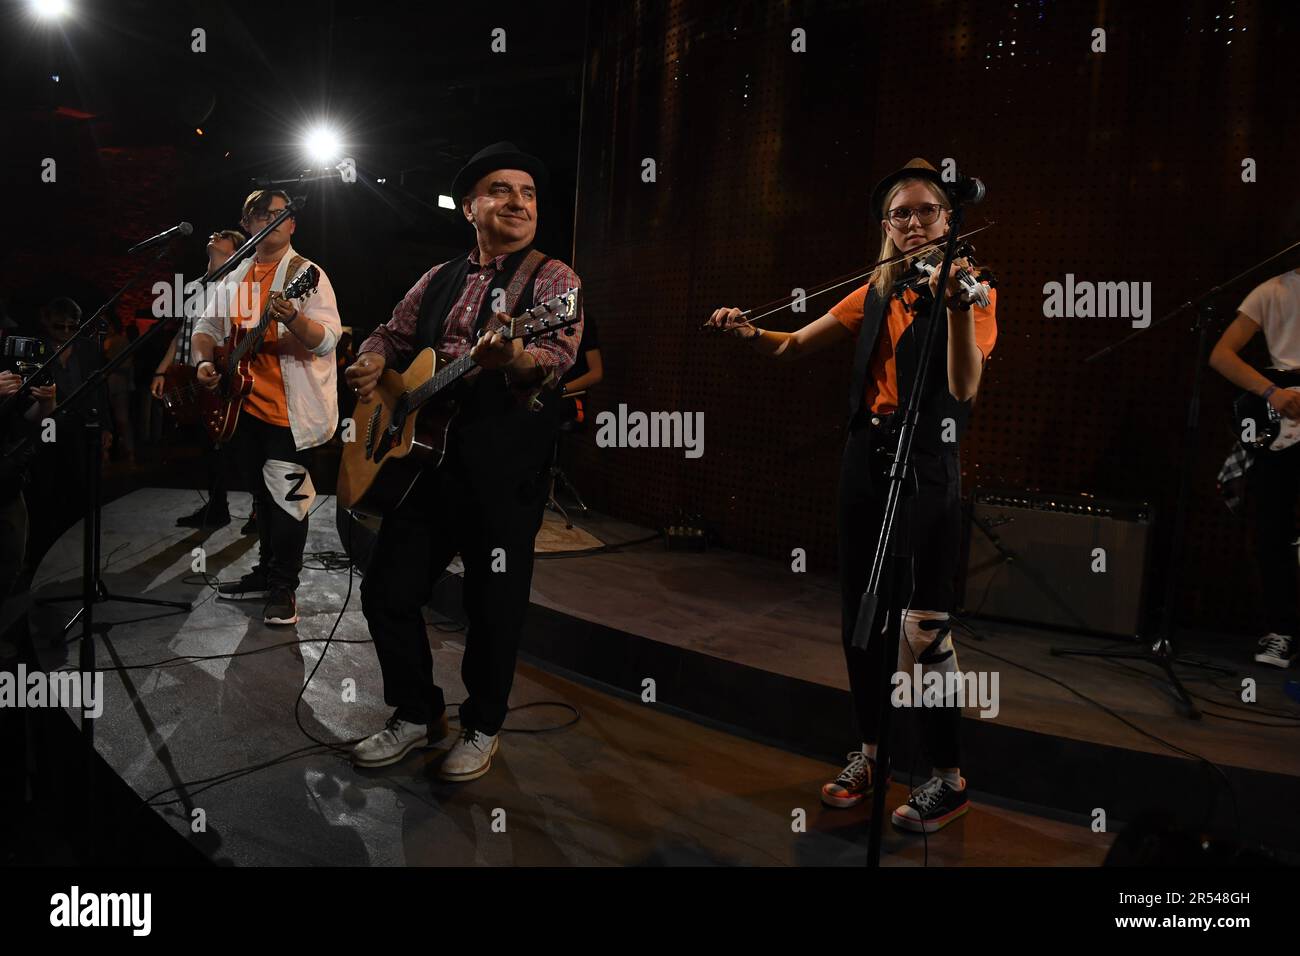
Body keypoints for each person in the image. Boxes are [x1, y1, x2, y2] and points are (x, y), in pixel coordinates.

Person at [706, 158, 997, 834]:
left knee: (923, 626)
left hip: (927, 460)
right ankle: (872, 753)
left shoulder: (972, 289)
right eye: (903, 213)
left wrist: (957, 309)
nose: (916, 223)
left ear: (949, 219)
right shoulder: (876, 288)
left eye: (928, 211)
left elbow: (962, 388)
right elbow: (791, 348)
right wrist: (751, 333)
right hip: (866, 457)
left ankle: (947, 776)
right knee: (861, 619)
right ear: (887, 226)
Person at [346, 141, 582, 781]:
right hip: (424, 468)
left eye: (529, 193)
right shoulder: (438, 276)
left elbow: (553, 364)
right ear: (469, 207)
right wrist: (372, 362)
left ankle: (482, 726)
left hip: (502, 473)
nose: (519, 202)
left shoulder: (553, 282)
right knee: (387, 591)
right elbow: (391, 335)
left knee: (493, 606)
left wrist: (514, 360)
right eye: (502, 190)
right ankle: (417, 712)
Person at [192, 190, 341, 625]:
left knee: (289, 502)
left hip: (289, 416)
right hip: (245, 410)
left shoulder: (307, 274)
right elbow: (206, 327)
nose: (270, 221)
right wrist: (205, 361)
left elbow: (328, 339)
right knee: (261, 499)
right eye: (261, 214)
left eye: (279, 215)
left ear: (292, 224)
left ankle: (284, 588)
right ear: (247, 222)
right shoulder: (237, 276)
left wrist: (293, 317)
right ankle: (265, 572)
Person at [1210, 266, 1300, 668]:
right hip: (1284, 424)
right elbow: (1221, 355)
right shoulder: (1273, 290)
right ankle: (1281, 630)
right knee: (1273, 531)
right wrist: (1271, 392)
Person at [152, 229, 247, 529]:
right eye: (215, 233)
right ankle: (217, 507)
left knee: (235, 441)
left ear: (234, 253)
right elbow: (184, 333)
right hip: (191, 374)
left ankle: (258, 510)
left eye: (224, 236)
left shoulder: (237, 286)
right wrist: (163, 370)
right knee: (207, 443)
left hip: (221, 372)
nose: (214, 234)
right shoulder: (194, 286)